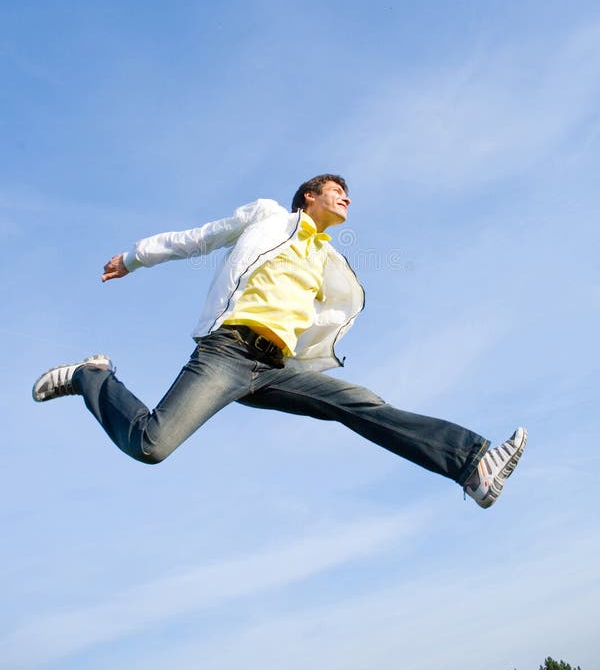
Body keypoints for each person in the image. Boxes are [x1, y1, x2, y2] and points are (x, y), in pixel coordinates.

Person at [32, 174, 527, 508]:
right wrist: (135, 257)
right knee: (151, 444)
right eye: (336, 189)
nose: (346, 197)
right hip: (226, 353)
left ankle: (472, 465)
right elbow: (199, 238)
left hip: (276, 369)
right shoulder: (268, 217)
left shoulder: (329, 262)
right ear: (308, 196)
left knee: (361, 404)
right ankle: (91, 375)